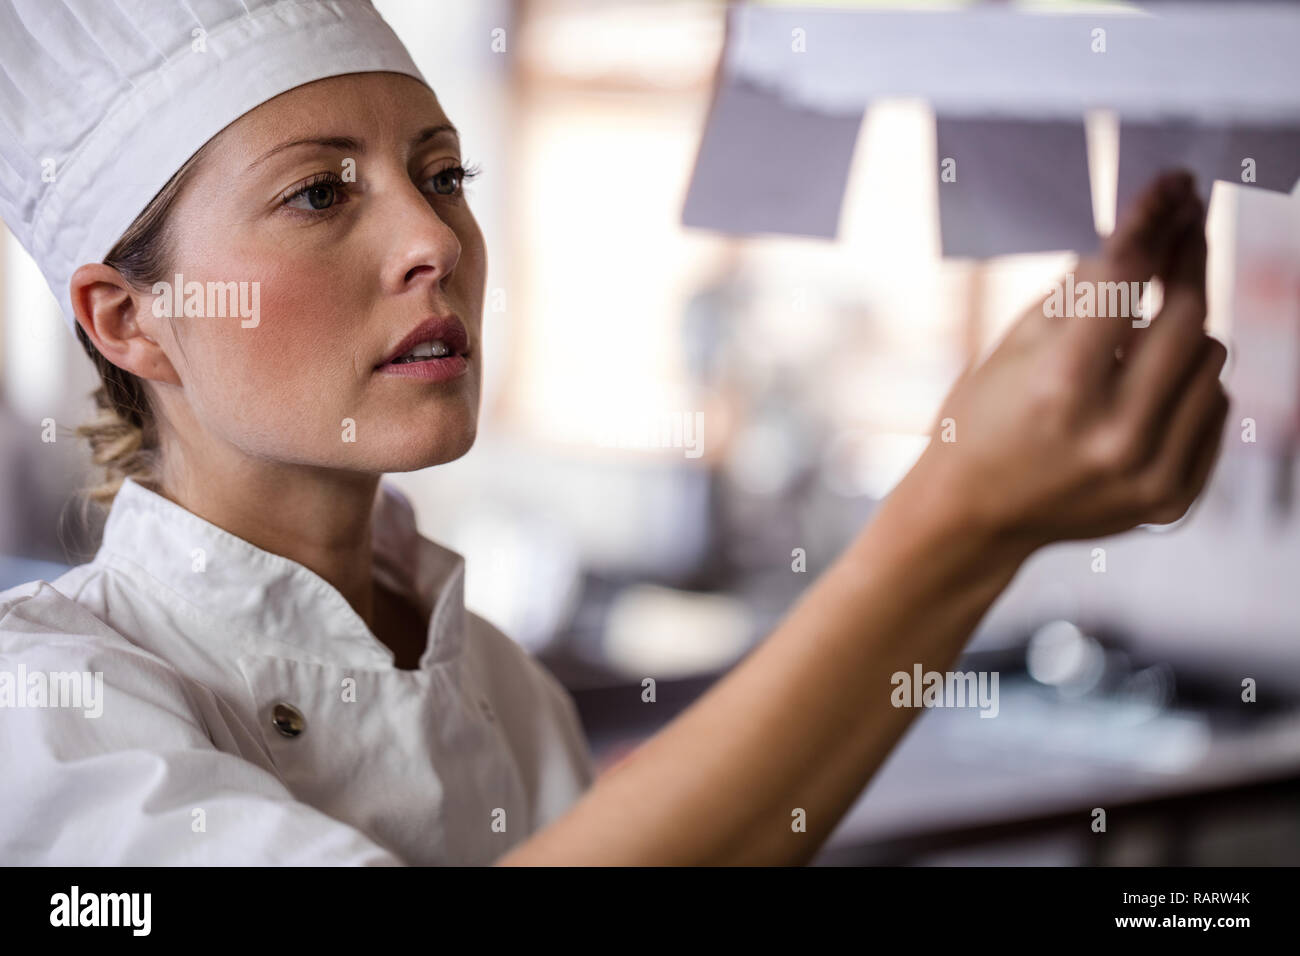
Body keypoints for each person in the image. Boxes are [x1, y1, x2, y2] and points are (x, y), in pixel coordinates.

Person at [0, 0, 1228, 866]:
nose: (432, 239)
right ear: (131, 321)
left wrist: (982, 525)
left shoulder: (501, 690)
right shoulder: (47, 716)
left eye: (442, 174)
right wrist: (961, 516)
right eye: (321, 190)